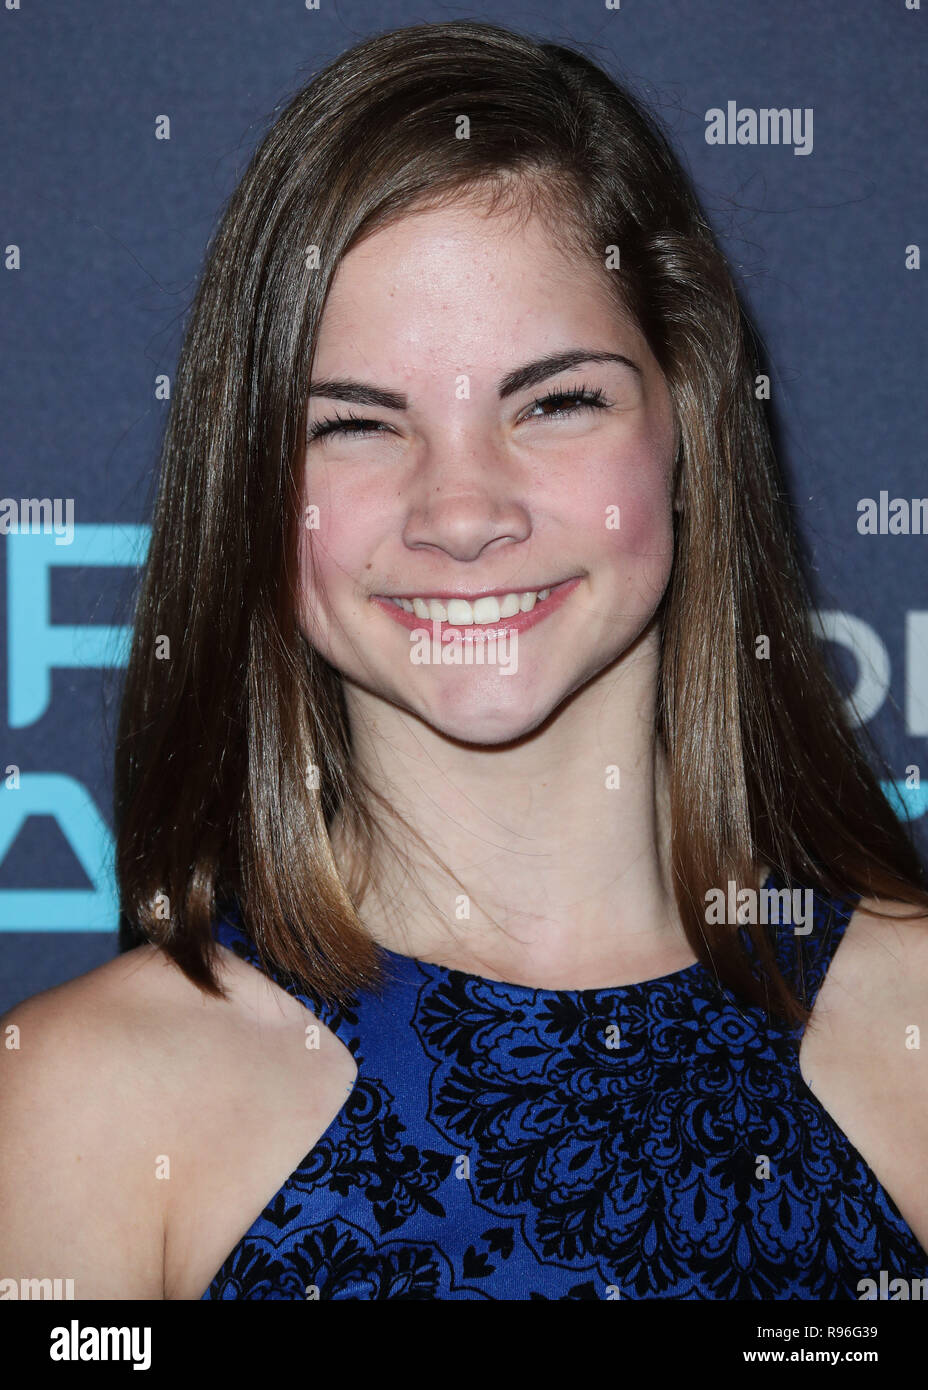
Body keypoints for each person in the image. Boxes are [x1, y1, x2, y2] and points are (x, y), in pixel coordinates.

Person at [2, 20, 927, 1302]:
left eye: (554, 401)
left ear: (689, 423)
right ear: (256, 485)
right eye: (355, 424)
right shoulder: (72, 1108)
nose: (460, 509)